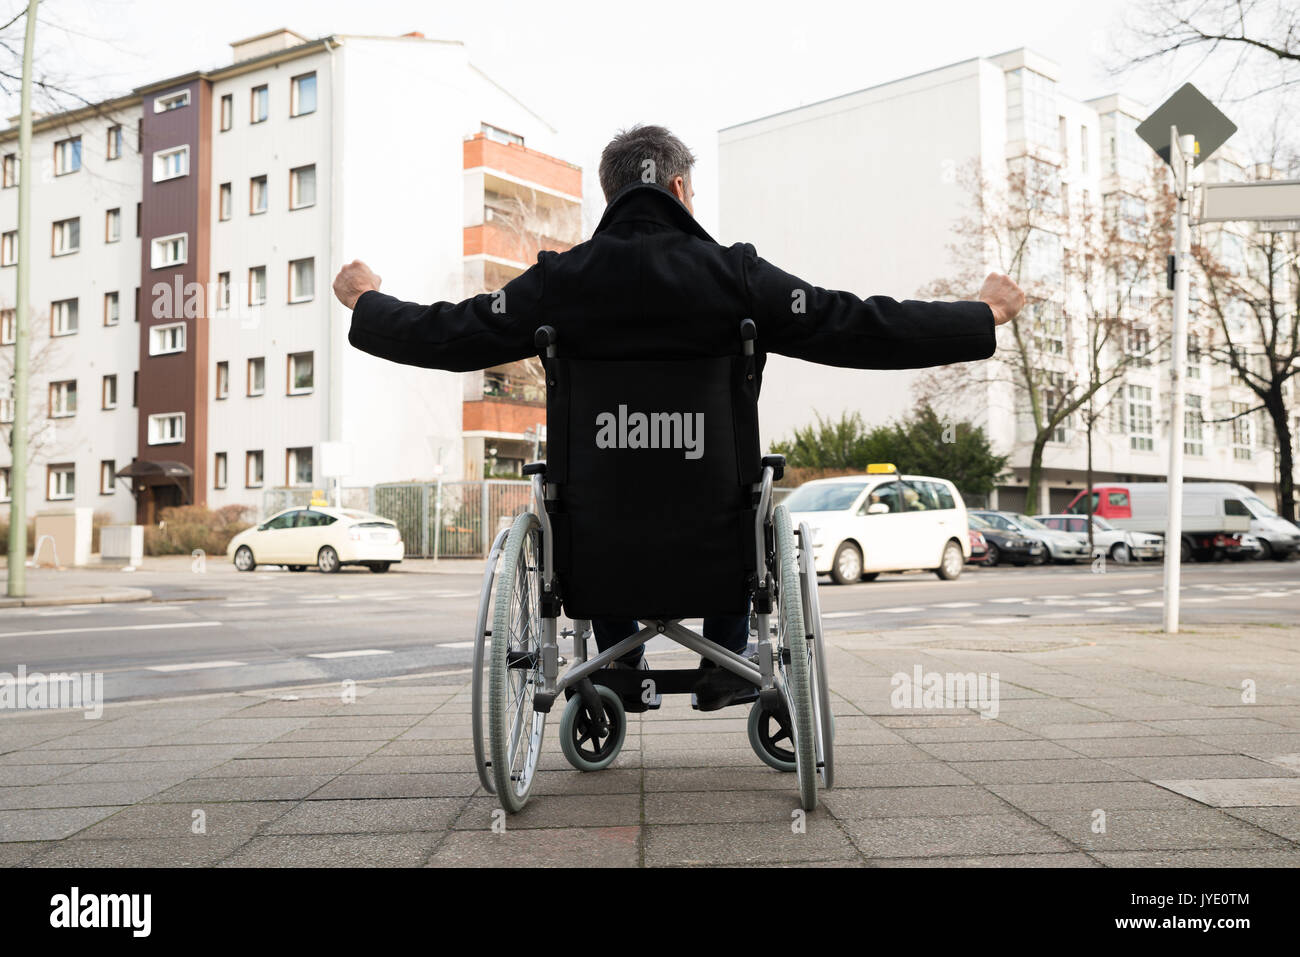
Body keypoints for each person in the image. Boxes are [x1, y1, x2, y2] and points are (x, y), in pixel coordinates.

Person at [334, 124, 1025, 710]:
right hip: (718, 554)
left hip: (596, 557)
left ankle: (616, 664)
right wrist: (978, 316)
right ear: (679, 191)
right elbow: (855, 324)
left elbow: (451, 334)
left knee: (579, 494)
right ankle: (727, 654)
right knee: (744, 490)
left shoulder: (559, 282)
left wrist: (368, 303)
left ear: (613, 194)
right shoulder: (736, 276)